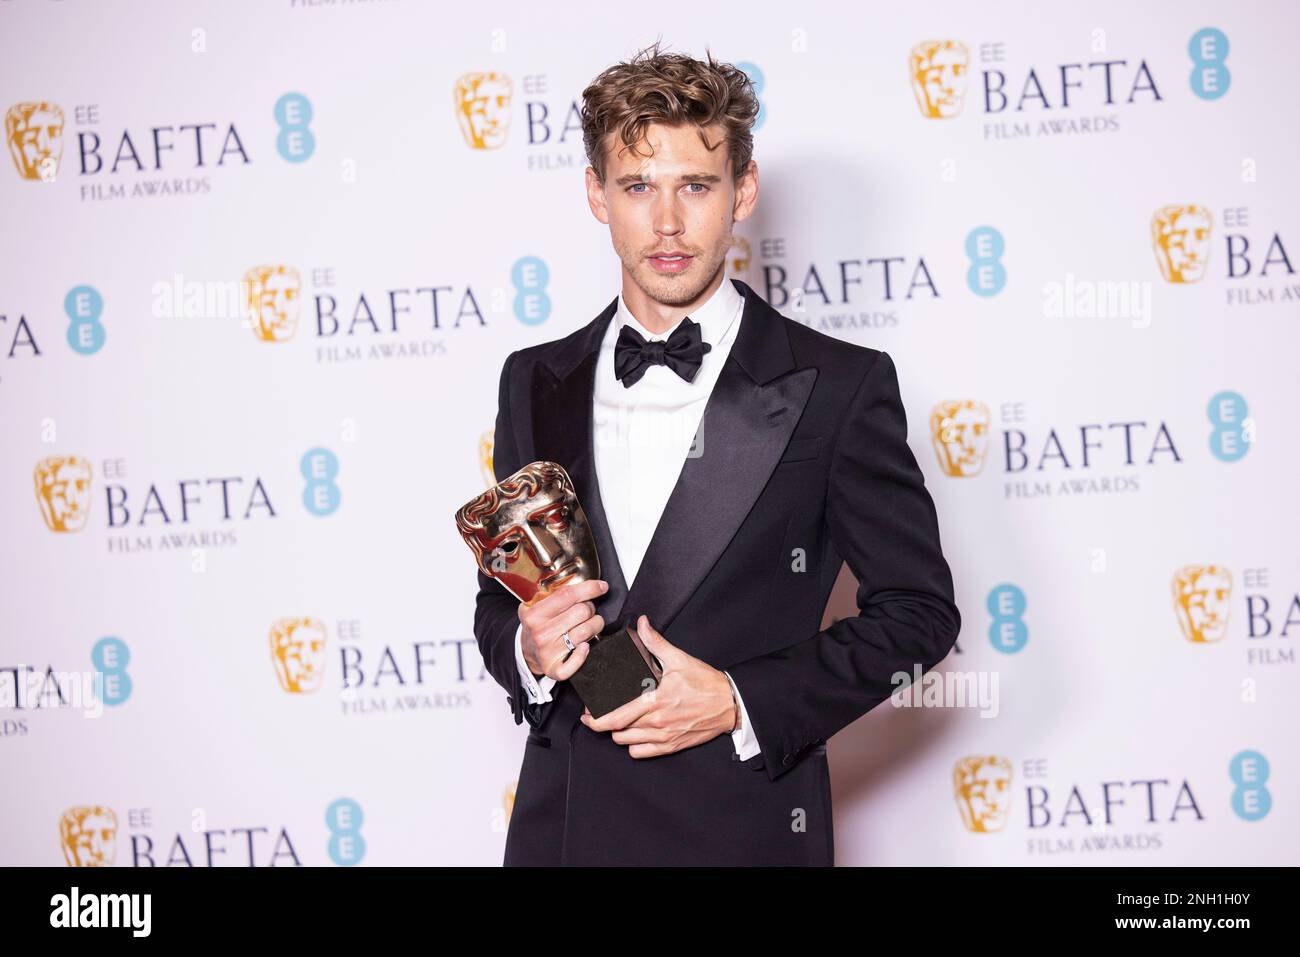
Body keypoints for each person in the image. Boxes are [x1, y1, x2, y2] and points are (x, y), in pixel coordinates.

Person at [472, 41, 961, 866]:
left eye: (695, 186)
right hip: (562, 834)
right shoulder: (532, 380)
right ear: (597, 194)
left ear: (744, 189)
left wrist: (741, 700)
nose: (667, 224)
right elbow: (497, 605)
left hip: (744, 832)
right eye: (637, 187)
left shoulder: (840, 386)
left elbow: (919, 613)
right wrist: (527, 650)